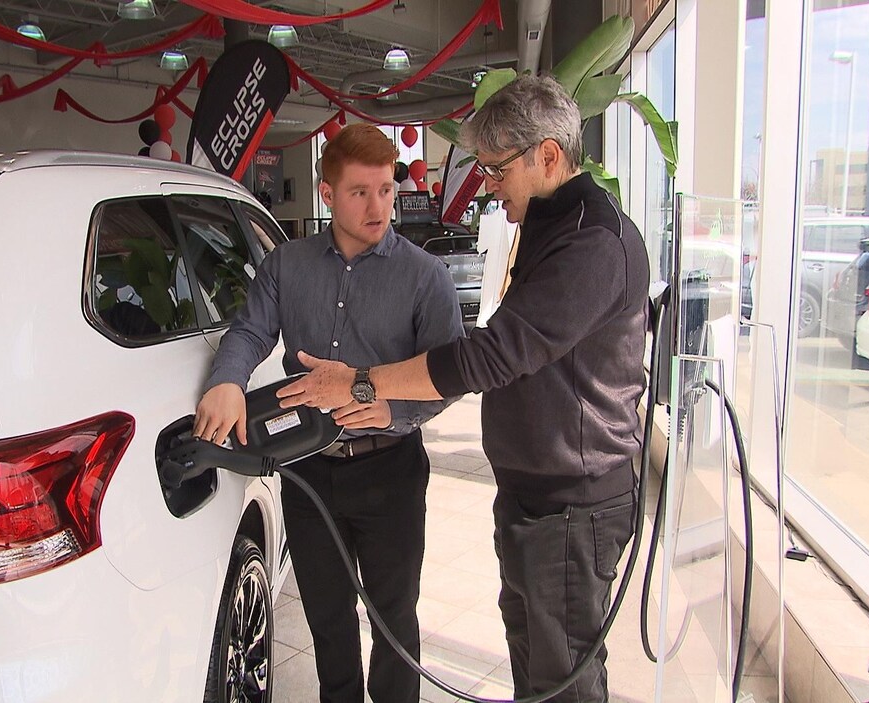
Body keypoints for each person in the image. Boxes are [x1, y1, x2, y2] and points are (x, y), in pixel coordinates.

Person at [276, 75, 649, 702]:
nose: (489, 188)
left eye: (496, 171)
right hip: (536, 493)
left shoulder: (592, 243)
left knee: (564, 679)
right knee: (535, 660)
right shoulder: (553, 226)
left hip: (573, 501)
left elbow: (492, 356)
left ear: (548, 156)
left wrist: (363, 383)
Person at [194, 123, 463, 703]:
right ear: (326, 193)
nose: (378, 206)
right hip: (308, 469)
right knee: (327, 620)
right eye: (360, 192)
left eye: (386, 190)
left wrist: (390, 411)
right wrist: (226, 381)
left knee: (394, 620)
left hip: (390, 470)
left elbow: (448, 377)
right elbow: (249, 331)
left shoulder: (425, 278)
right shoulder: (286, 267)